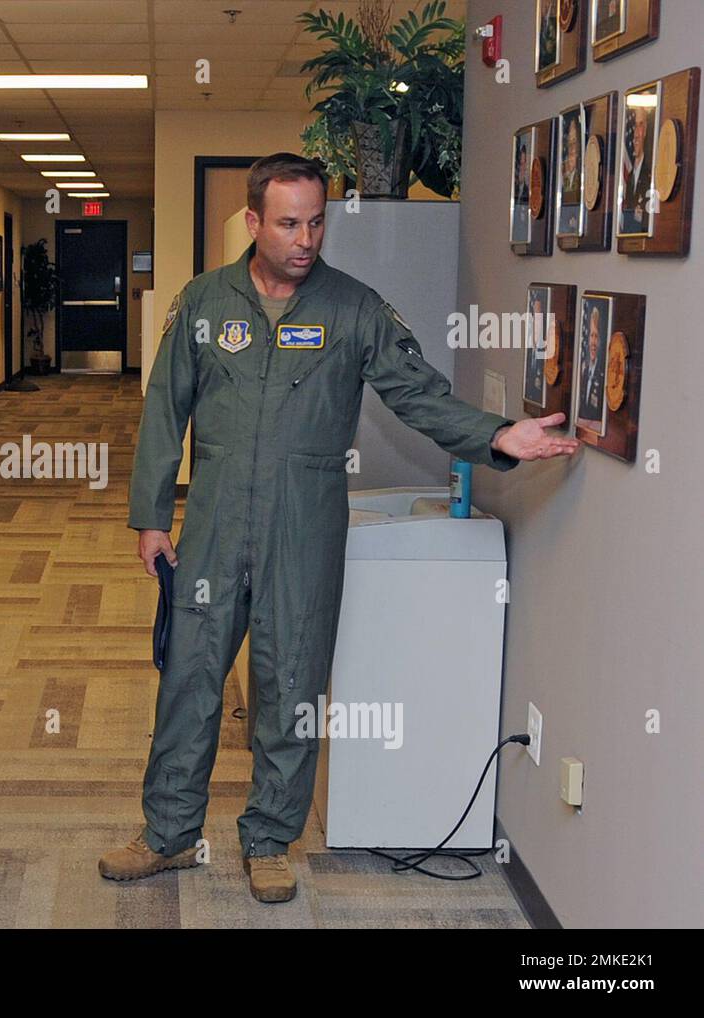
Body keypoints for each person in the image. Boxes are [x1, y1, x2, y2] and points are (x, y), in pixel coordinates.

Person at [100, 153, 580, 903]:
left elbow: (419, 396)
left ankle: (268, 838)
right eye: (288, 222)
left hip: (307, 520)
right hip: (218, 518)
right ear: (253, 220)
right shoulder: (203, 302)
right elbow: (166, 409)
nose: (305, 238)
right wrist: (152, 517)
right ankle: (165, 835)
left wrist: (497, 436)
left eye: (317, 221)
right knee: (191, 677)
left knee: (290, 680)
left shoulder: (354, 308)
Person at [622, 105, 652, 234]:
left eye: (640, 125)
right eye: (634, 125)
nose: (635, 134)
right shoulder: (628, 178)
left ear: (646, 131)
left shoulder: (650, 175)